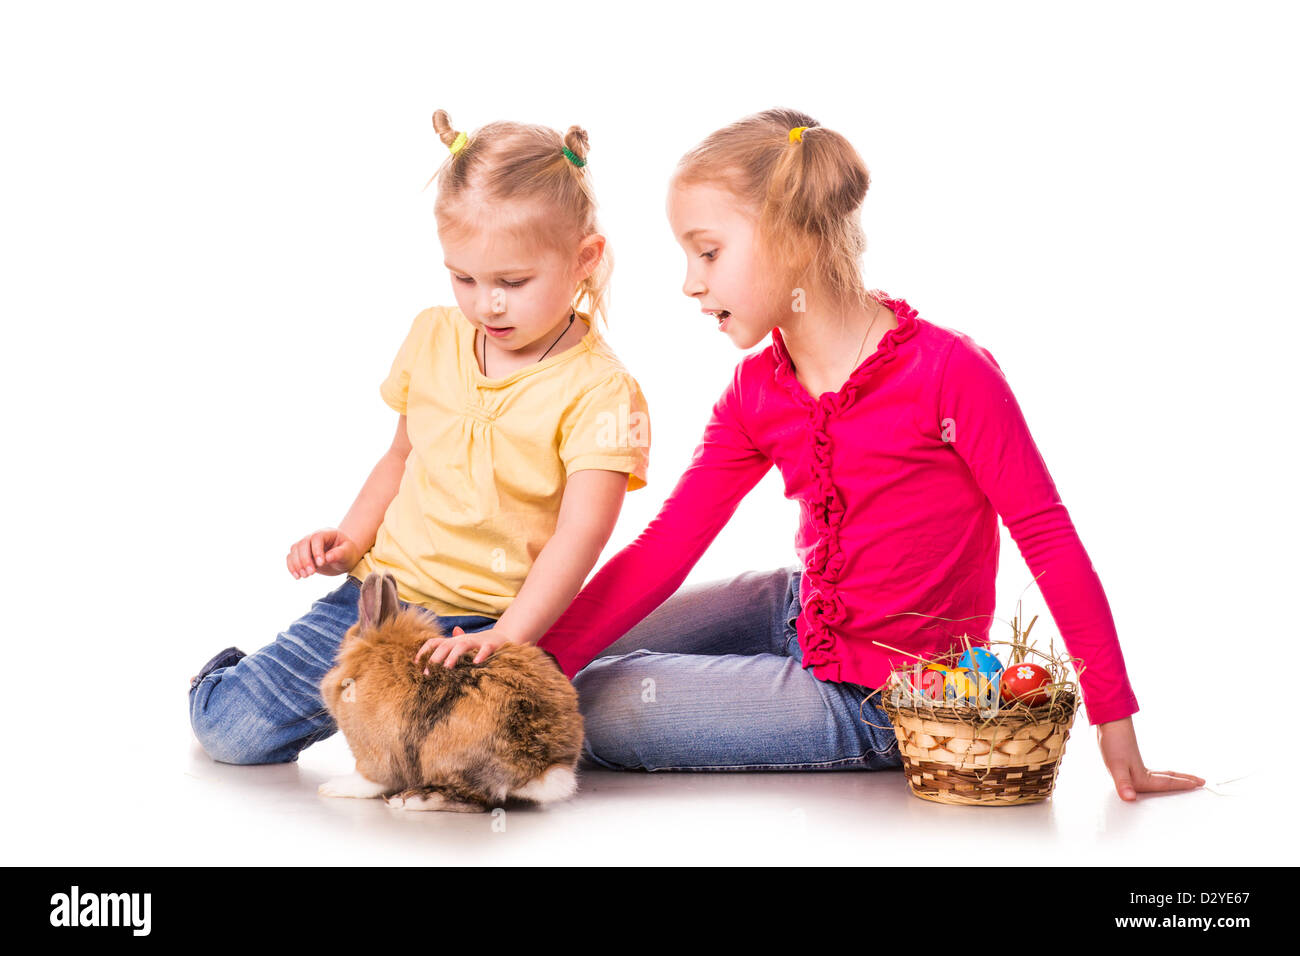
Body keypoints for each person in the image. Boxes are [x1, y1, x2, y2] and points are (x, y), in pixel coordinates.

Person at [444, 108, 1203, 802]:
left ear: (796, 237)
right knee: (556, 648)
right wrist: (531, 656)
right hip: (797, 610)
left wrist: (1113, 715)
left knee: (603, 704)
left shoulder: (949, 374)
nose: (689, 283)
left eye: (708, 252)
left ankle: (530, 712)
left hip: (881, 698)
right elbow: (667, 547)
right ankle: (509, 691)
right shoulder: (756, 390)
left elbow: (1047, 534)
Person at [187, 110, 651, 768]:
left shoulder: (601, 391)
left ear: (584, 259)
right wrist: (349, 539)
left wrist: (506, 638)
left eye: (512, 284)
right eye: (464, 278)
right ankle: (239, 678)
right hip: (382, 599)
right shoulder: (433, 336)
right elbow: (401, 456)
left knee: (482, 759)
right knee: (231, 733)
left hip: (495, 622)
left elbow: (582, 537)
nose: (486, 305)